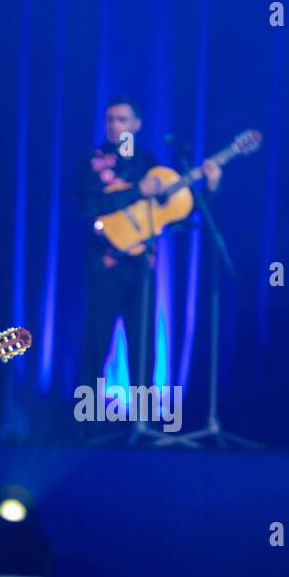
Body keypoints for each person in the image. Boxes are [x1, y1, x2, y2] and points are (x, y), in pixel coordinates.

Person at [76, 96, 221, 394]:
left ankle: (144, 426)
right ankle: (87, 429)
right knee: (96, 343)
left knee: (144, 347)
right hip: (104, 264)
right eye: (111, 120)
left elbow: (178, 211)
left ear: (137, 125)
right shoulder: (92, 163)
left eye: (122, 120)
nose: (115, 126)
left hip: (142, 266)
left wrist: (210, 186)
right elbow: (89, 205)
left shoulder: (148, 164)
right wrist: (136, 192)